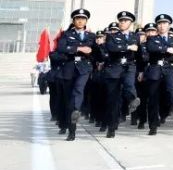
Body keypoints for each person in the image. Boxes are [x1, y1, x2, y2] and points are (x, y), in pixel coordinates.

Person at [55, 9, 98, 141]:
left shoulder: (91, 36)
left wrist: (96, 50)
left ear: (86, 21)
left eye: (83, 19)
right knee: (68, 100)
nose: (80, 21)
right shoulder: (66, 35)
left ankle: (76, 109)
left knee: (79, 89)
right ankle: (71, 130)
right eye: (77, 18)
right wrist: (79, 49)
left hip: (84, 68)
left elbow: (97, 53)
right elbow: (61, 48)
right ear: (73, 21)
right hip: (68, 69)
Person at [101, 11, 142, 138]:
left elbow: (139, 54)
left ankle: (132, 100)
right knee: (113, 100)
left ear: (130, 23)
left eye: (125, 21)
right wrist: (128, 47)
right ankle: (111, 128)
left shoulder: (135, 36)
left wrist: (141, 70)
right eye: (121, 20)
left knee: (129, 84)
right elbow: (111, 48)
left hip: (129, 66)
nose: (123, 22)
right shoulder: (112, 36)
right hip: (114, 68)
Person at [141, 14, 173, 135]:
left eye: (164, 23)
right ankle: (152, 126)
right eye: (160, 23)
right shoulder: (152, 39)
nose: (162, 26)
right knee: (153, 99)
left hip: (169, 68)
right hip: (155, 69)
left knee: (171, 89)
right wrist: (166, 49)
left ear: (169, 25)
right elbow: (151, 48)